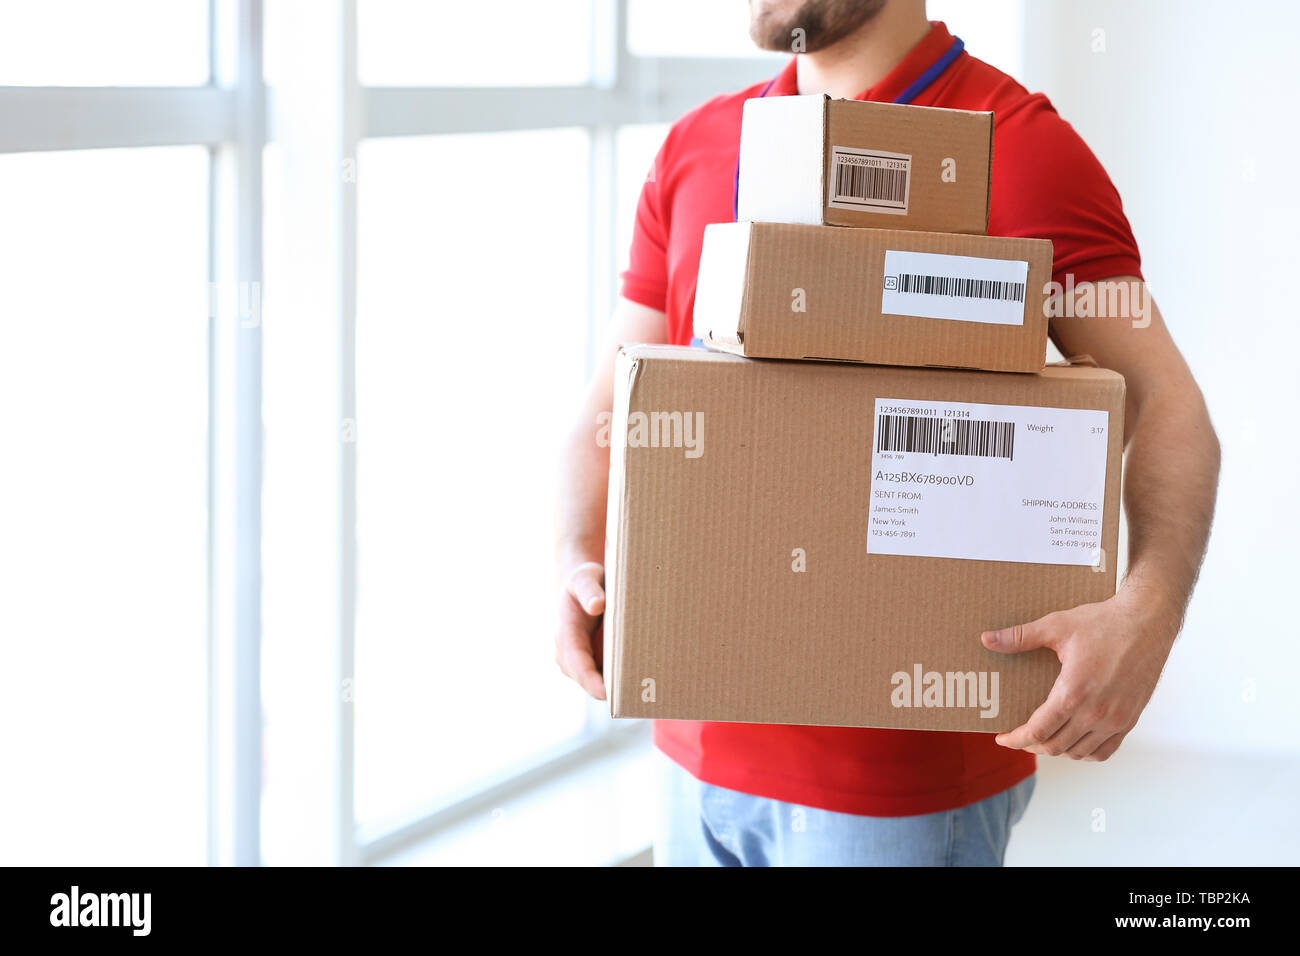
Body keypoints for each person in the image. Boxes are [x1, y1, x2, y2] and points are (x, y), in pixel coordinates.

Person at [554, 0, 1220, 866]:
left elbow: (1169, 404)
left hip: (894, 792)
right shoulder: (701, 146)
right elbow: (613, 401)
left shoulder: (1013, 146)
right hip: (690, 755)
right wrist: (573, 555)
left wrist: (1149, 612)